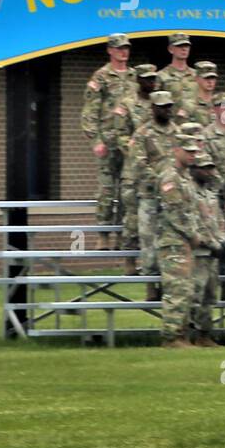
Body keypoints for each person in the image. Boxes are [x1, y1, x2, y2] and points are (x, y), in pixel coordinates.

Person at [156, 137, 216, 348]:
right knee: (177, 290)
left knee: (186, 290)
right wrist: (193, 234)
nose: (192, 155)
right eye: (188, 151)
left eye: (194, 152)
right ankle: (172, 337)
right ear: (176, 150)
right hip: (173, 241)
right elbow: (175, 213)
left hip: (184, 242)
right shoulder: (170, 176)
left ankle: (181, 335)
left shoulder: (185, 178)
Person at [80, 32, 136, 243]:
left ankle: (122, 233)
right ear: (110, 50)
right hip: (108, 140)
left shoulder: (133, 77)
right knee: (106, 189)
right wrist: (96, 141)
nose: (124, 52)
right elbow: (89, 112)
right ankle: (103, 234)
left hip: (128, 142)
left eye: (126, 48)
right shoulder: (101, 77)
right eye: (119, 48)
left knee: (126, 191)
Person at [122, 89, 179, 294]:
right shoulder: (143, 134)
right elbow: (138, 164)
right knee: (149, 240)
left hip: (173, 198)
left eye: (169, 107)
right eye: (163, 107)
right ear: (153, 108)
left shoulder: (178, 133)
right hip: (149, 195)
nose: (167, 111)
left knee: (170, 240)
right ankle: (150, 285)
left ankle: (168, 283)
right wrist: (160, 181)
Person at [110, 64, 159, 260]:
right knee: (132, 216)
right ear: (138, 81)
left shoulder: (161, 102)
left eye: (153, 78)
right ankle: (130, 260)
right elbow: (120, 135)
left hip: (158, 168)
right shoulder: (127, 104)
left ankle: (150, 265)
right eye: (147, 78)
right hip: (134, 169)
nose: (151, 82)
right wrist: (136, 148)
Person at [188, 155, 225, 346]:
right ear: (193, 170)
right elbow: (192, 222)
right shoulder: (189, 192)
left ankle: (205, 334)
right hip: (198, 251)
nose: (208, 172)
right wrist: (210, 242)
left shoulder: (211, 193)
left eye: (210, 168)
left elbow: (219, 219)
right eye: (203, 168)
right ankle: (190, 334)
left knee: (210, 295)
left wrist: (221, 240)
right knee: (195, 293)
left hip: (213, 251)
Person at [155, 32, 196, 107]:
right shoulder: (161, 76)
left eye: (186, 46)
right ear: (170, 49)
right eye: (179, 46)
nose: (184, 49)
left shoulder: (196, 75)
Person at [176, 61, 220, 126]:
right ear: (197, 79)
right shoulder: (188, 105)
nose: (210, 81)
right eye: (206, 78)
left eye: (213, 78)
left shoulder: (220, 104)